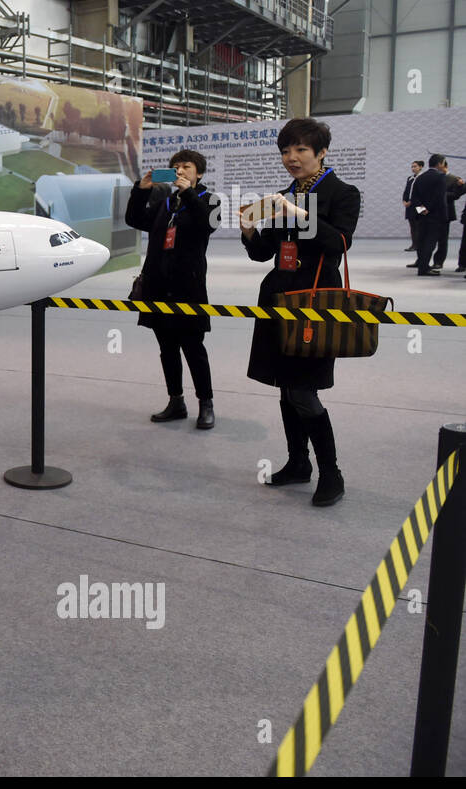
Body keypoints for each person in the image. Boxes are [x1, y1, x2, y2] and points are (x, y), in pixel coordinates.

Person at [239, 118, 359, 507]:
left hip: (315, 303)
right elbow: (263, 254)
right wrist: (248, 229)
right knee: (286, 388)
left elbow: (339, 243)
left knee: (304, 392)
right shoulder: (282, 195)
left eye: (300, 150)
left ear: (321, 152)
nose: (291, 158)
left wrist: (300, 212)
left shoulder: (343, 192)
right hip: (279, 299)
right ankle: (297, 463)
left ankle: (331, 474)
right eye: (286, 151)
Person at [125, 149, 221, 429]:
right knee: (167, 347)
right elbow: (134, 219)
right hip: (158, 284)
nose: (180, 171)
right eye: (175, 167)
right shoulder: (164, 202)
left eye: (186, 167)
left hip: (187, 287)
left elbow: (207, 224)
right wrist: (141, 190)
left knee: (193, 347)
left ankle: (206, 403)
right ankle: (176, 401)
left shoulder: (209, 200)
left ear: (199, 173)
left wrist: (189, 193)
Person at [409, 154, 449, 276]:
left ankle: (421, 265)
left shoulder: (420, 178)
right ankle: (424, 268)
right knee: (430, 243)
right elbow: (439, 197)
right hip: (436, 216)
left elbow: (414, 198)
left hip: (422, 216)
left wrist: (423, 210)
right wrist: (431, 210)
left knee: (421, 241)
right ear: (439, 164)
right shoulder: (440, 177)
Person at [402, 160, 423, 252]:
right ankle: (414, 244)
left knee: (420, 226)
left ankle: (419, 245)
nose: (413, 168)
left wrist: (412, 201)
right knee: (412, 226)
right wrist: (404, 201)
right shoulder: (410, 178)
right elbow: (406, 191)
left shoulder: (423, 178)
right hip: (409, 206)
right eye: (412, 167)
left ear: (421, 167)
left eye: (415, 166)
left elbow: (422, 193)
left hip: (419, 205)